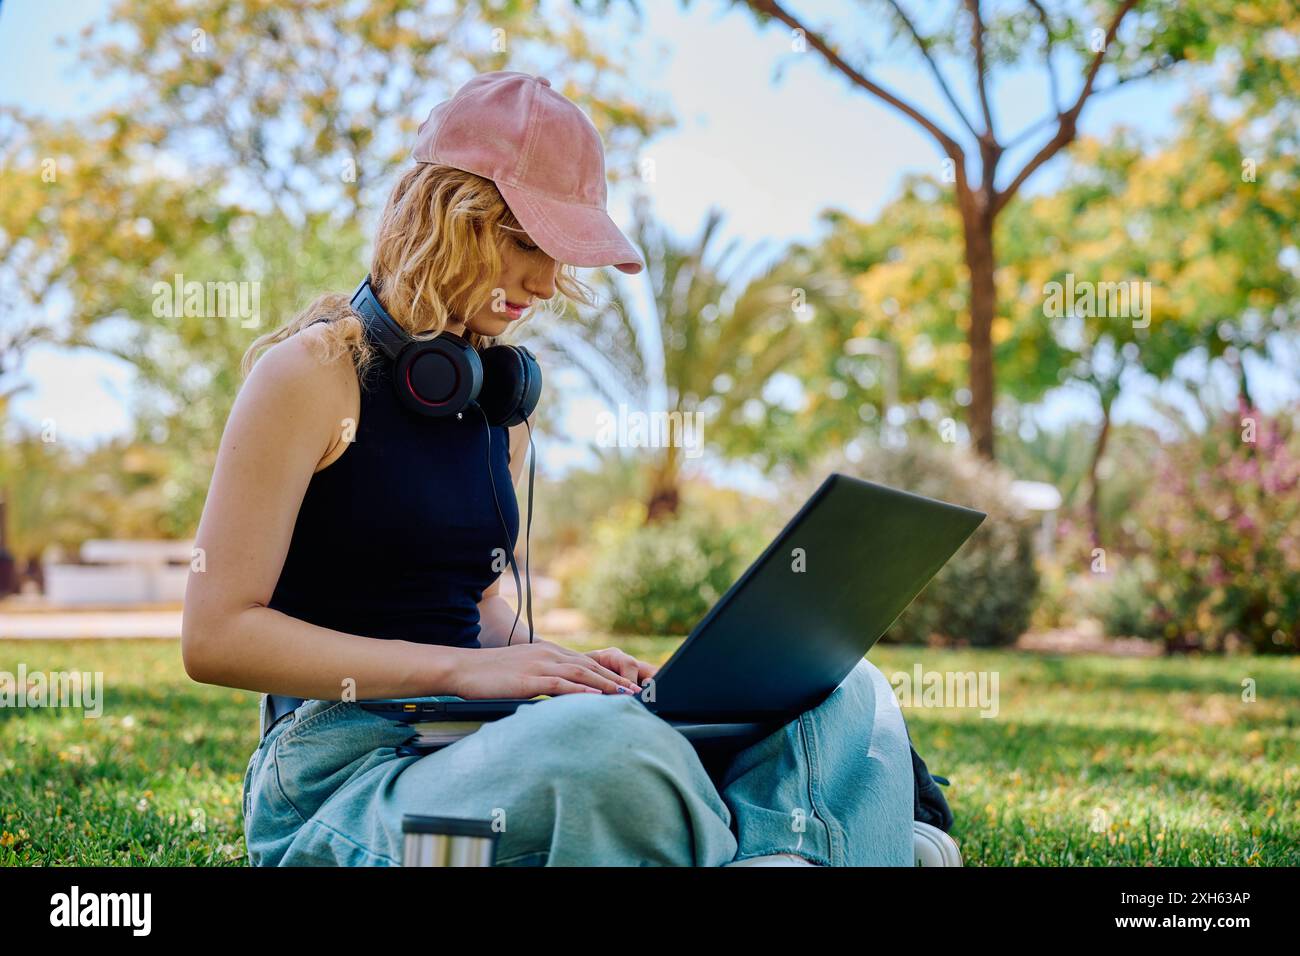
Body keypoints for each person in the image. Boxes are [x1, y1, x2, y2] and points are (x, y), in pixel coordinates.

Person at [181, 71, 917, 866]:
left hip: (486, 742)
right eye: (527, 241)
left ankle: (781, 854)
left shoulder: (499, 399)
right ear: (444, 214)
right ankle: (801, 838)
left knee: (842, 692)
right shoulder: (307, 374)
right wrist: (466, 674)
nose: (545, 281)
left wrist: (558, 664)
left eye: (560, 252)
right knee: (603, 754)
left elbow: (476, 604)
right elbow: (216, 636)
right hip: (345, 768)